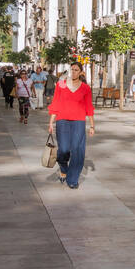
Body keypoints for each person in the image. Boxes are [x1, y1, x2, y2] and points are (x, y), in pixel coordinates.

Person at [48, 61, 96, 190]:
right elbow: (55, 103)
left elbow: (89, 107)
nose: (73, 72)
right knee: (63, 149)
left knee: (77, 150)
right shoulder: (61, 85)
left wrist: (92, 126)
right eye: (72, 69)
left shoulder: (85, 88)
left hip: (78, 122)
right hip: (62, 120)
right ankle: (63, 168)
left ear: (80, 72)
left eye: (76, 70)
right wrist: (51, 122)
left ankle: (73, 179)